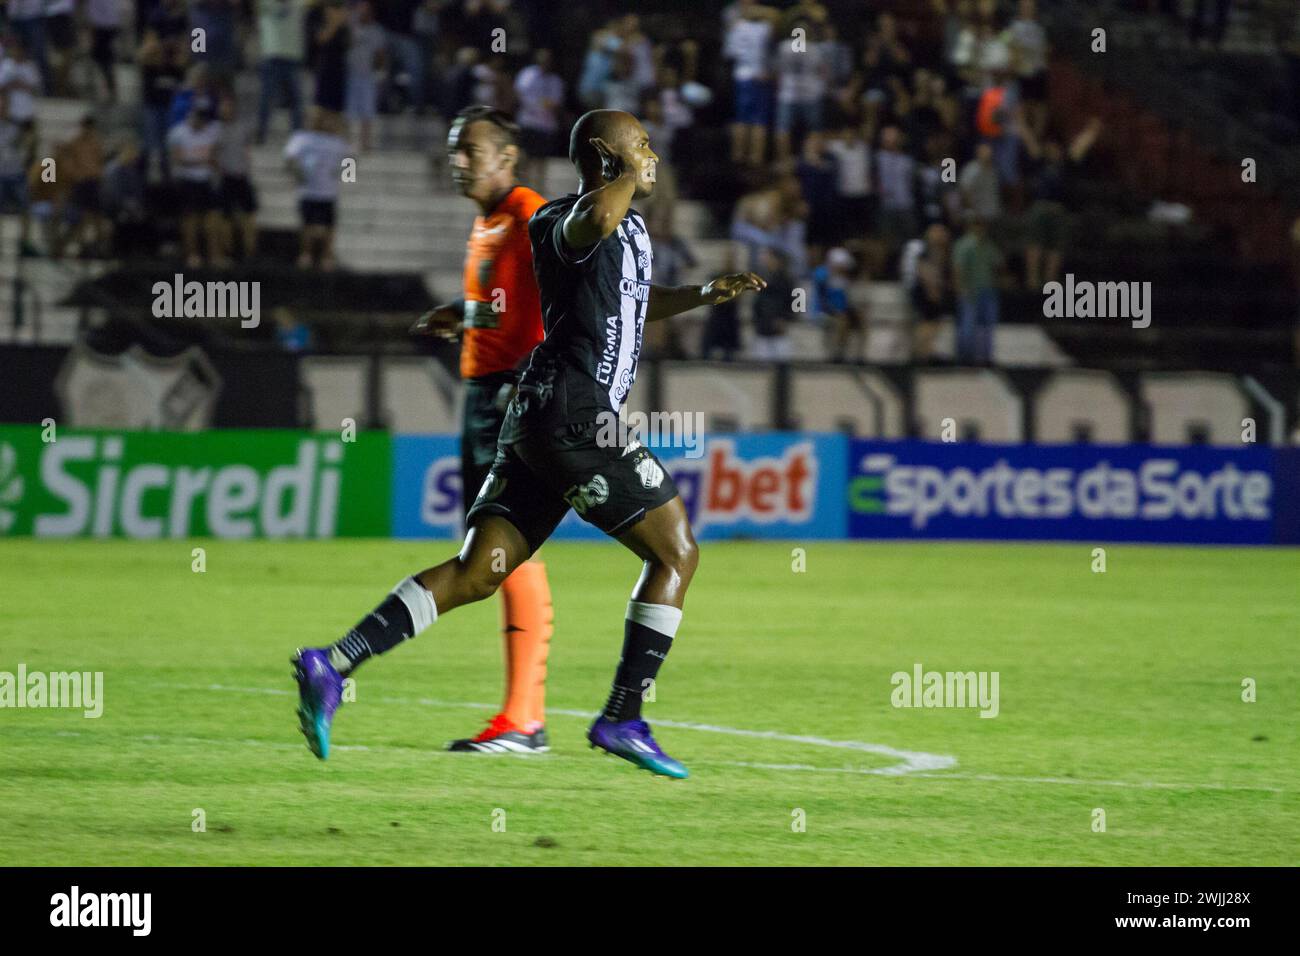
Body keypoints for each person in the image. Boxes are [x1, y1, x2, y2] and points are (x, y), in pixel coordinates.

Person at [292, 109, 765, 778]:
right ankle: (624, 716)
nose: (653, 156)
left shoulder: (626, 227)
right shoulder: (561, 222)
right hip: (578, 415)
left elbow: (632, 300)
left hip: (537, 418)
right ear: (607, 157)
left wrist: (701, 295)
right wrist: (627, 173)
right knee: (677, 550)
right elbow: (591, 223)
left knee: (477, 571)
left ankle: (332, 663)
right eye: (642, 147)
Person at [407, 107, 554, 753]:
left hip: (512, 397)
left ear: (507, 155)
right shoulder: (488, 221)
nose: (457, 159)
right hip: (484, 398)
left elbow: (567, 293)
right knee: (490, 550)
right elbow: (506, 304)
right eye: (452, 148)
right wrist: (464, 315)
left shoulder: (530, 213)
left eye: (468, 148)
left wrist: (536, 378)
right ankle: (524, 719)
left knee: (502, 550)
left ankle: (523, 719)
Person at [283, 106, 347, 270]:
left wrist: (346, 178)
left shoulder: (335, 141)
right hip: (308, 190)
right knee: (307, 224)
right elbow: (289, 158)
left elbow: (350, 158)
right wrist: (297, 176)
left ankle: (327, 254)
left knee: (329, 225)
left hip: (328, 191)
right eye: (311, 118)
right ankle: (307, 253)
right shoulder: (301, 138)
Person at [168, 97, 224, 267]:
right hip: (188, 180)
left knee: (212, 218)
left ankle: (214, 255)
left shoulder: (211, 131)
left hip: (206, 180)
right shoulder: (179, 132)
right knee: (190, 219)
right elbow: (178, 159)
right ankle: (192, 254)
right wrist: (201, 161)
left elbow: (213, 157)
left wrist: (210, 165)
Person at [952, 213, 1003, 364]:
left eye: (982, 225)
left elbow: (998, 263)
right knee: (967, 325)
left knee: (988, 326)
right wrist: (961, 288)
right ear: (970, 226)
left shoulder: (988, 245)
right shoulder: (964, 244)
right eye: (977, 224)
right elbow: (958, 267)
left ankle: (985, 358)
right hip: (970, 290)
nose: (980, 228)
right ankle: (965, 358)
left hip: (988, 290)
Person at [256, 0, 306, 143]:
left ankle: (297, 139)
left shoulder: (298, 3)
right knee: (266, 99)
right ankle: (261, 133)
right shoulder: (265, 4)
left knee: (296, 101)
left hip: (293, 58)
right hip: (272, 56)